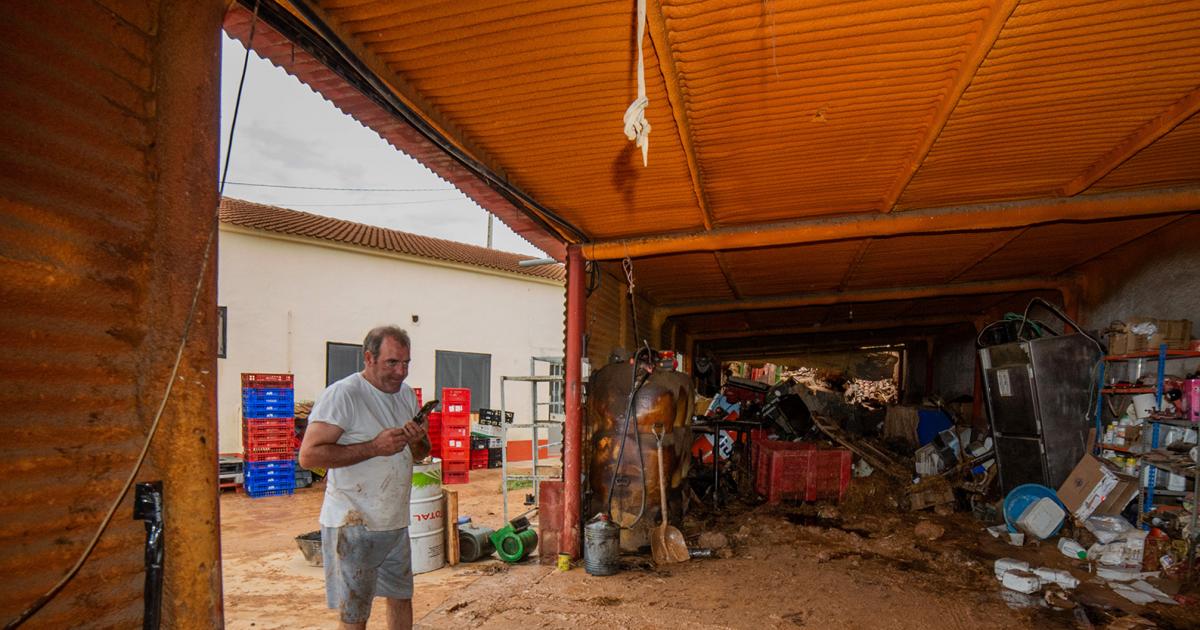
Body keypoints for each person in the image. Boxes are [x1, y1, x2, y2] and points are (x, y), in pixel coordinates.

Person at [299, 325, 431, 630]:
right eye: (392, 363)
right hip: (353, 523)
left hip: (394, 521)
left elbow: (421, 453)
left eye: (406, 363)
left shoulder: (406, 395)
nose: (401, 372)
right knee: (355, 612)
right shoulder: (344, 394)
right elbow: (309, 456)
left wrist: (416, 440)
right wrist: (374, 447)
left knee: (401, 597)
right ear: (369, 358)